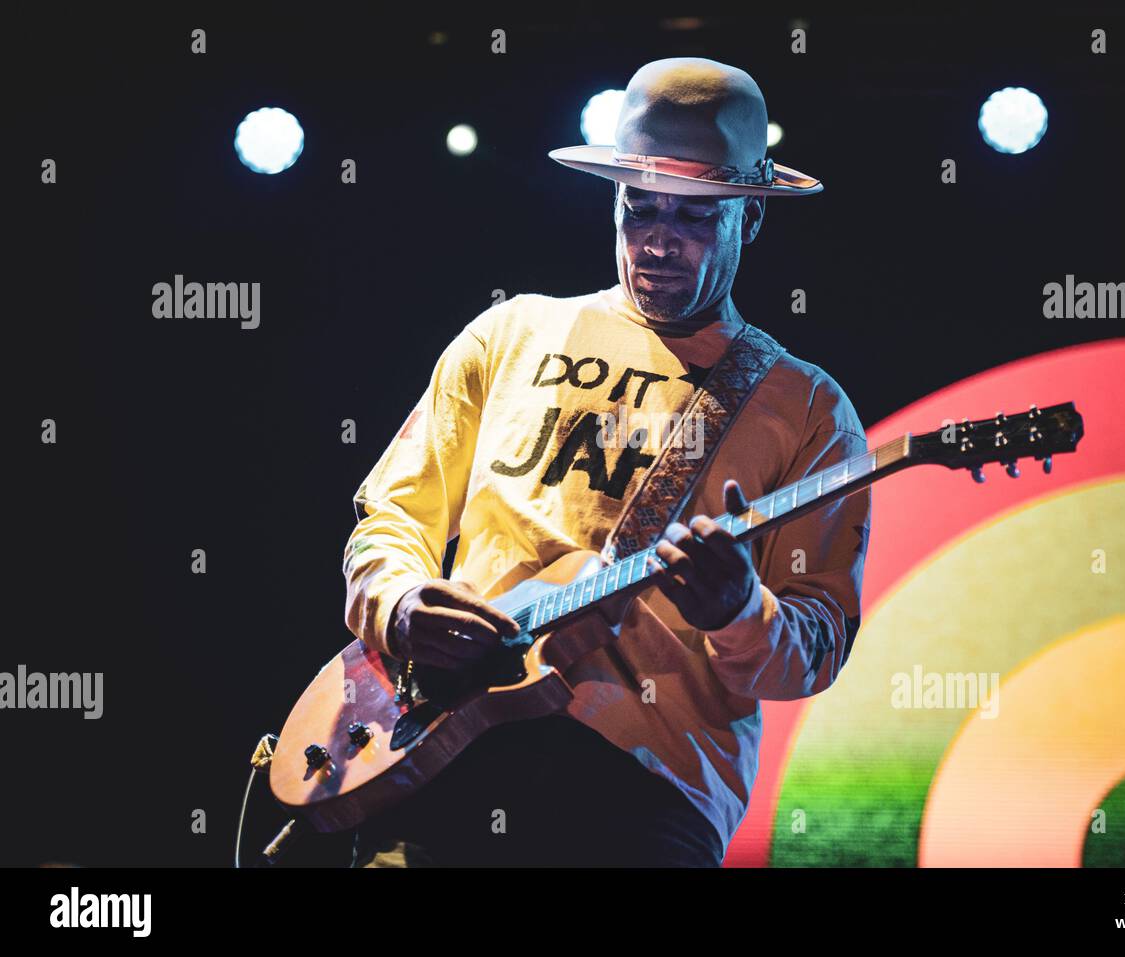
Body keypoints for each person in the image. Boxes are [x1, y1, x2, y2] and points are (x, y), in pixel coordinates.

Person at [344, 57, 871, 867]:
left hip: (647, 790)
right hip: (445, 741)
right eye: (639, 209)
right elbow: (392, 514)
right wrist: (402, 605)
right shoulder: (510, 333)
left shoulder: (806, 408)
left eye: (693, 218)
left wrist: (737, 609)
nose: (658, 241)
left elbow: (819, 644)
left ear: (751, 219)